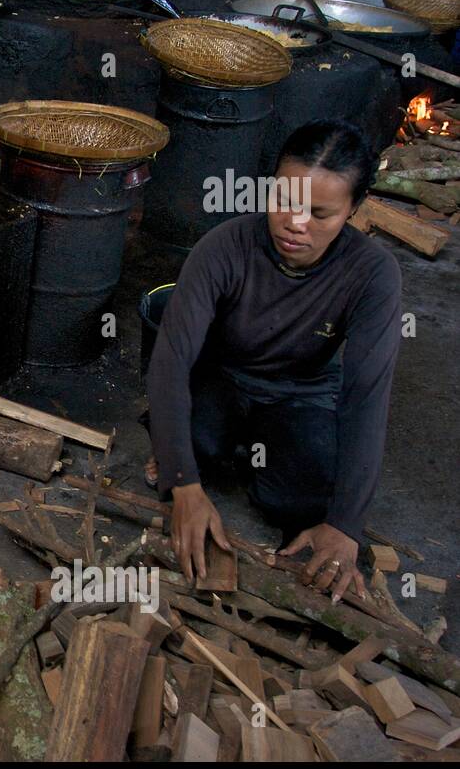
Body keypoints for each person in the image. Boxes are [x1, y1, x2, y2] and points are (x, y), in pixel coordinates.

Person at [146, 120, 401, 604]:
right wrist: (184, 483)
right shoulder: (225, 246)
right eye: (284, 200)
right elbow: (171, 362)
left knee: (302, 502)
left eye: (320, 213)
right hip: (220, 377)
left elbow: (366, 397)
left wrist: (346, 524)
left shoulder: (372, 273)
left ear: (354, 209)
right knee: (190, 448)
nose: (295, 223)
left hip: (300, 390)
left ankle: (249, 455)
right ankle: (210, 449)